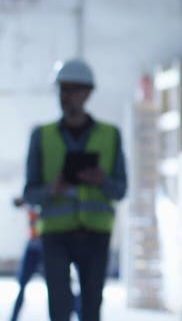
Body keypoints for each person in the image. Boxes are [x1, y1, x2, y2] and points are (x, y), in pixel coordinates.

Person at [23, 58, 127, 321]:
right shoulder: (41, 136)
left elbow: (120, 190)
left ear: (87, 93)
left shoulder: (110, 135)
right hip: (55, 236)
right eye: (61, 89)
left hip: (96, 234)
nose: (65, 96)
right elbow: (29, 194)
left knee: (92, 310)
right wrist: (52, 189)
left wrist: (101, 180)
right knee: (58, 308)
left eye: (71, 89)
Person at [10, 197, 81, 321]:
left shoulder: (53, 199)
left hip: (48, 246)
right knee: (22, 285)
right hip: (33, 246)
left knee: (58, 286)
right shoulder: (34, 196)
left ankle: (81, 314)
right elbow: (19, 202)